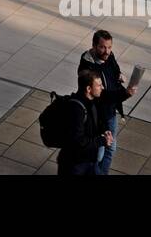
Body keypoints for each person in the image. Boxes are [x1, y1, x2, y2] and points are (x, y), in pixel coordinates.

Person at [80, 30, 139, 175]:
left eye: (109, 47)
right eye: (102, 47)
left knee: (110, 148)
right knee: (98, 153)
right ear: (94, 46)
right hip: (96, 115)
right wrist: (125, 94)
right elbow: (102, 96)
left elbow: (114, 66)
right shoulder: (88, 69)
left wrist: (118, 74)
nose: (107, 51)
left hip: (110, 112)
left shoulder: (109, 56)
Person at [57, 69, 111, 176]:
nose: (103, 88)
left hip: (89, 160)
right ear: (89, 88)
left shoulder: (93, 101)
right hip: (75, 164)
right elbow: (78, 141)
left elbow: (97, 121)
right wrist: (102, 141)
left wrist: (104, 130)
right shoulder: (76, 109)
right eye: (99, 85)